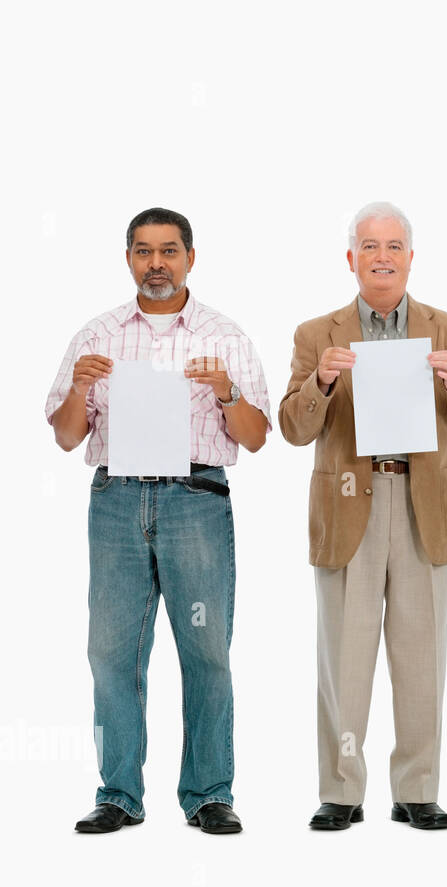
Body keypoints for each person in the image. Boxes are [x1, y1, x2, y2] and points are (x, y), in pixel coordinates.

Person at [46, 207, 271, 835]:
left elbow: (255, 440)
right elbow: (66, 437)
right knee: (111, 652)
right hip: (116, 503)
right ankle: (118, 793)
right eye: (143, 251)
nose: (156, 264)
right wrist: (75, 390)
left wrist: (227, 391)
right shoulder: (97, 335)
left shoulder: (224, 336)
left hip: (194, 501)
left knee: (207, 651)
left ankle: (208, 793)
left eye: (169, 251)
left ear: (191, 258)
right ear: (128, 260)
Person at [279, 202, 447, 832]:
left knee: (421, 655)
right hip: (349, 501)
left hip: (424, 503)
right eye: (369, 246)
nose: (382, 256)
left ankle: (417, 789)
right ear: (351, 258)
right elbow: (293, 428)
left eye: (394, 245)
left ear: (409, 257)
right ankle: (341, 791)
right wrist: (318, 383)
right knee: (343, 657)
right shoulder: (316, 332)